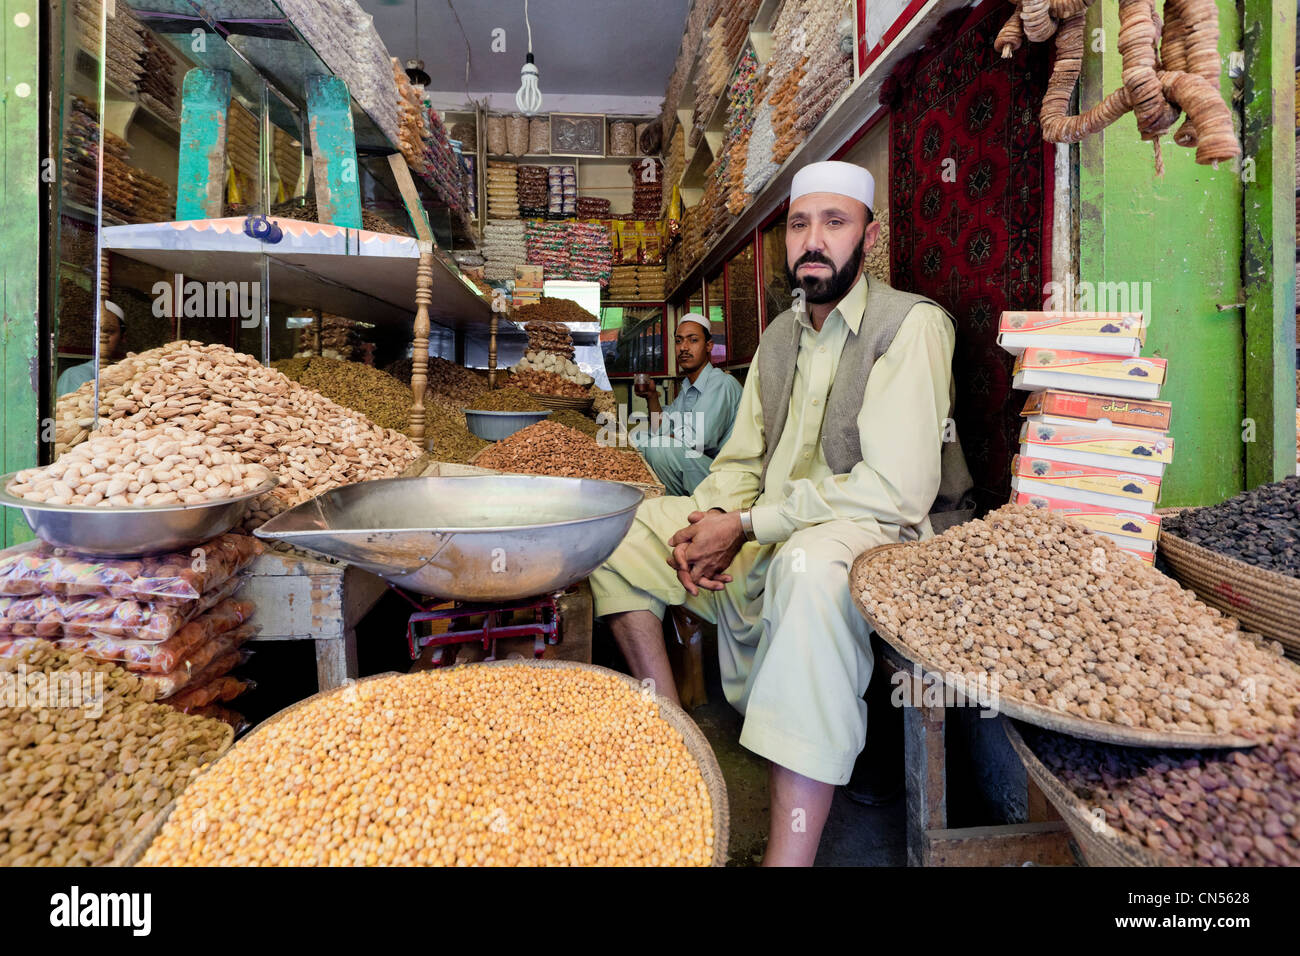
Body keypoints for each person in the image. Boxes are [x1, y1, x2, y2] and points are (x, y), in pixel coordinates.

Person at [589, 160, 972, 866]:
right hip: (770, 524)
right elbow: (740, 463)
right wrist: (706, 522)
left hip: (881, 536)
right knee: (619, 527)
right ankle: (677, 747)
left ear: (869, 236)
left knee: (806, 566)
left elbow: (896, 489)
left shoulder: (911, 326)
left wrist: (748, 527)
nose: (814, 241)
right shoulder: (778, 340)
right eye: (800, 225)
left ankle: (787, 860)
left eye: (834, 222)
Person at [633, 315, 743, 496]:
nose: (684, 347)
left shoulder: (721, 383)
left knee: (659, 448)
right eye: (678, 341)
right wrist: (651, 397)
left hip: (725, 478)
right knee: (638, 438)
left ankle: (678, 507)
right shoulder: (687, 388)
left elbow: (697, 438)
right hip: (701, 468)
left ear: (708, 346)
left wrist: (654, 441)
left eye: (693, 340)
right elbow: (661, 430)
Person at [57, 302, 125, 396]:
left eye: (109, 331)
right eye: (97, 330)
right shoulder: (75, 375)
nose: (102, 337)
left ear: (123, 336)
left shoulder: (127, 372)